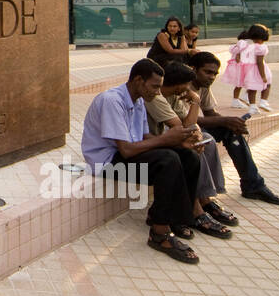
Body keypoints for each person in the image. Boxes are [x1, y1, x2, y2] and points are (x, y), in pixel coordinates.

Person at [80, 58, 206, 264]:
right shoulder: (112, 100)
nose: (158, 92)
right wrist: (167, 141)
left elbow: (143, 137)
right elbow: (127, 150)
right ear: (138, 80)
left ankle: (174, 217)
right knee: (167, 160)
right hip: (106, 162)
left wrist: (179, 143)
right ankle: (159, 233)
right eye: (154, 86)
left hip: (125, 154)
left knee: (189, 156)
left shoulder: (138, 100)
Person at [145, 62, 234, 237]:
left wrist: (197, 132)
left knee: (206, 140)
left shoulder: (174, 97)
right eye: (187, 84)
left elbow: (190, 126)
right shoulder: (156, 98)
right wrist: (195, 102)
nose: (188, 88)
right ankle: (196, 208)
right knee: (190, 152)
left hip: (164, 137)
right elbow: (183, 128)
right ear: (179, 84)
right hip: (152, 140)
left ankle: (205, 198)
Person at [188, 50, 279, 206]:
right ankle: (204, 195)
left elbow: (210, 113)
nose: (212, 77)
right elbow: (186, 121)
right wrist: (226, 120)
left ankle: (253, 185)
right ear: (193, 69)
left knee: (232, 131)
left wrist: (233, 123)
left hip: (194, 128)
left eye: (215, 74)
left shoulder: (203, 86)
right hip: (183, 131)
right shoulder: (183, 85)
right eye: (207, 72)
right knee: (211, 136)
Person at [226, 23, 273, 112]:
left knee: (252, 88)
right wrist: (263, 76)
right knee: (267, 84)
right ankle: (263, 101)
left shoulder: (244, 44)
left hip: (248, 70)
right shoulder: (260, 48)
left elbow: (237, 53)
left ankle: (252, 107)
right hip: (258, 69)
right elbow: (259, 62)